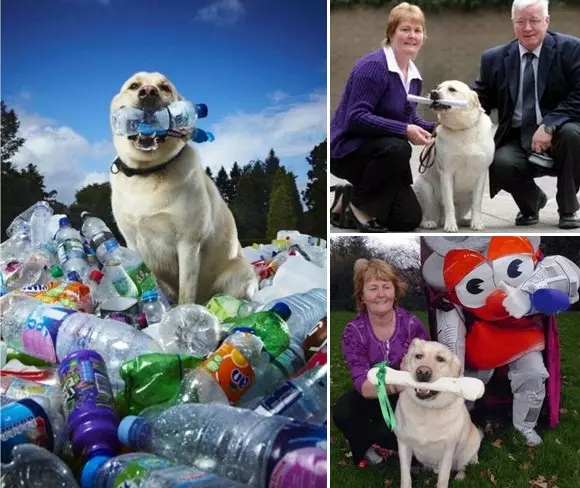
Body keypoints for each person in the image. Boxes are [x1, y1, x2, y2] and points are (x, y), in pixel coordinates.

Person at [473, 0, 580, 229]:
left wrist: (549, 125)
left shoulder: (572, 49)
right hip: (517, 134)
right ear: (513, 24)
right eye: (521, 22)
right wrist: (451, 113)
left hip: (562, 132)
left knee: (573, 134)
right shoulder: (493, 59)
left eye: (534, 21)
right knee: (498, 160)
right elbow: (479, 100)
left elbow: (579, 96)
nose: (527, 28)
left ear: (547, 21)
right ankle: (531, 204)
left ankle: (568, 208)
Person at [329, 2, 435, 233]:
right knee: (398, 147)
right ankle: (359, 207)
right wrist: (404, 130)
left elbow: (409, 118)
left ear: (423, 36)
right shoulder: (373, 67)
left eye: (417, 31)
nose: (412, 36)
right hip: (350, 150)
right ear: (391, 33)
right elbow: (356, 117)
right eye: (405, 29)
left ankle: (348, 195)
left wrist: (439, 128)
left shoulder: (414, 75)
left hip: (383, 154)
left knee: (407, 220)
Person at [332, 258, 429, 468]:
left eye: (386, 287)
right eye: (373, 288)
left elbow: (427, 367)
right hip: (374, 393)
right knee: (343, 410)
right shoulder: (353, 331)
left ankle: (401, 447)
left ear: (395, 291)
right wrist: (394, 384)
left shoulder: (412, 324)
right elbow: (362, 384)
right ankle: (366, 446)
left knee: (387, 431)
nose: (381, 294)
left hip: (410, 397)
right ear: (362, 296)